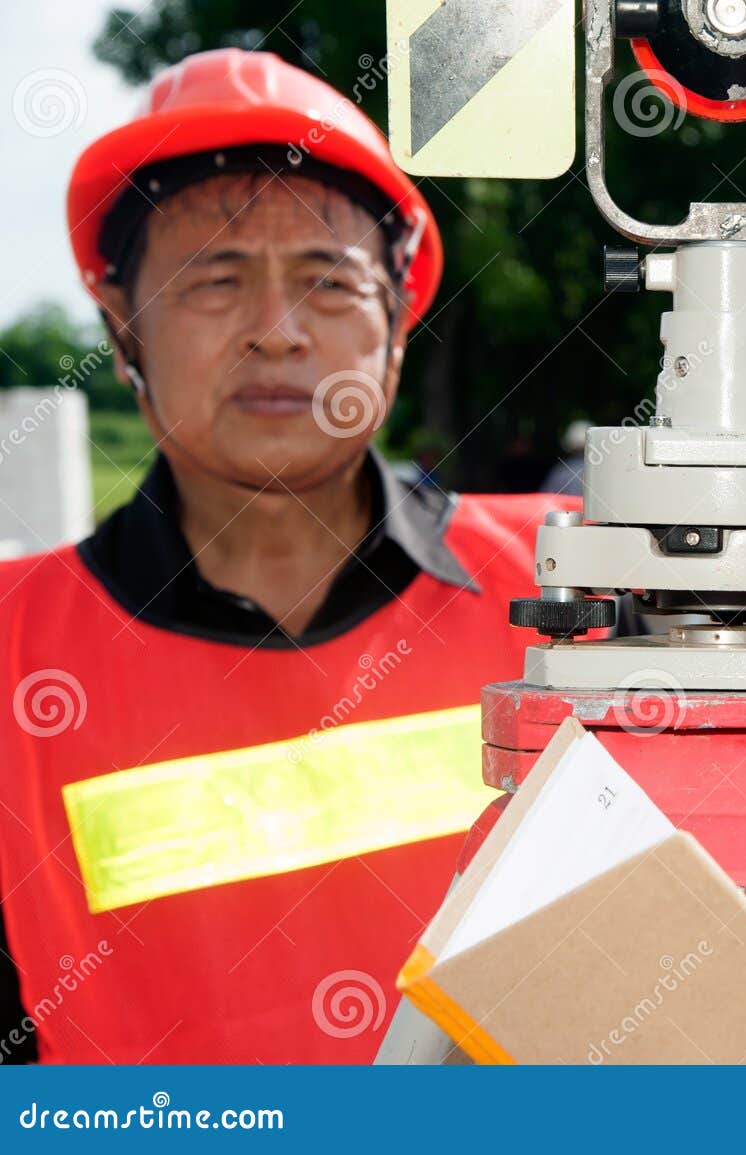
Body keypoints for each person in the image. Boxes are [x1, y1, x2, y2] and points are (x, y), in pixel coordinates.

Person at [0, 49, 576, 1063]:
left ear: (397, 327)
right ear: (121, 328)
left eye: (328, 281)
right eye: (213, 279)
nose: (276, 333)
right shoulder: (12, 650)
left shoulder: (572, 585)